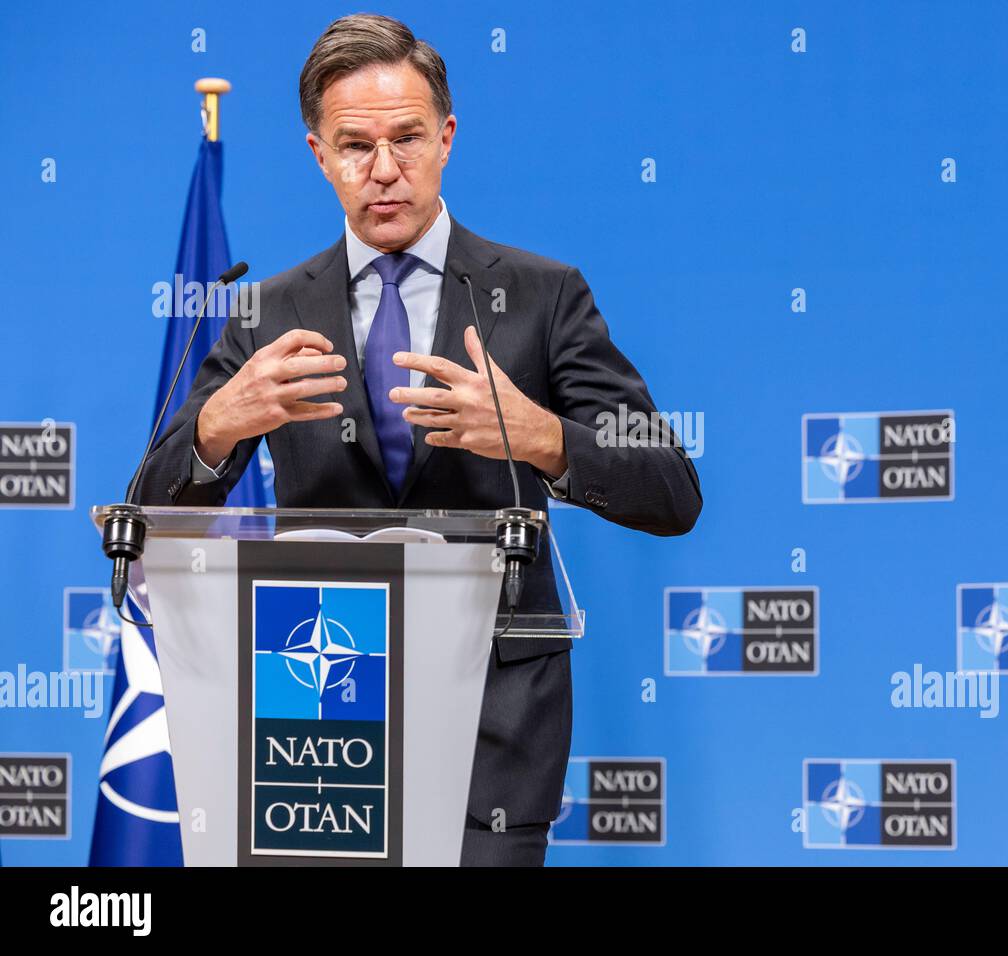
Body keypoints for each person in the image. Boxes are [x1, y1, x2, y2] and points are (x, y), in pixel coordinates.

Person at [134, 13, 702, 866]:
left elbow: (671, 489)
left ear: (447, 137)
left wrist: (544, 438)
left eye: (407, 137)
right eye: (355, 145)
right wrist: (218, 426)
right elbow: (145, 516)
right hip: (322, 717)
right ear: (319, 155)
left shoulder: (544, 296)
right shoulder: (268, 310)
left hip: (493, 722)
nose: (386, 169)